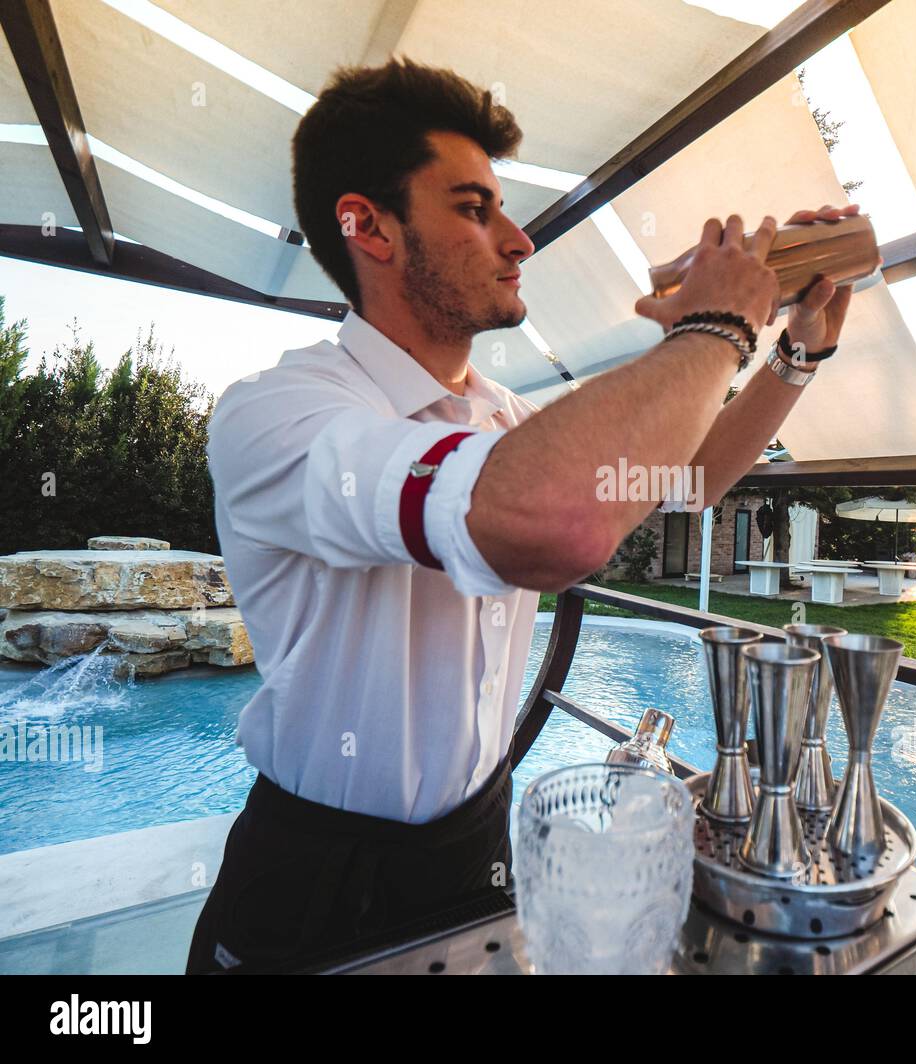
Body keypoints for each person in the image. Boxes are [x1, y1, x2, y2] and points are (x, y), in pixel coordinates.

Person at [186, 57, 859, 973]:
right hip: (316, 876)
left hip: (478, 842)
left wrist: (794, 350)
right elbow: (546, 521)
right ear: (367, 226)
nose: (519, 240)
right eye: (473, 208)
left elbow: (687, 481)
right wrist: (714, 331)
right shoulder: (281, 414)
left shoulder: (504, 417)